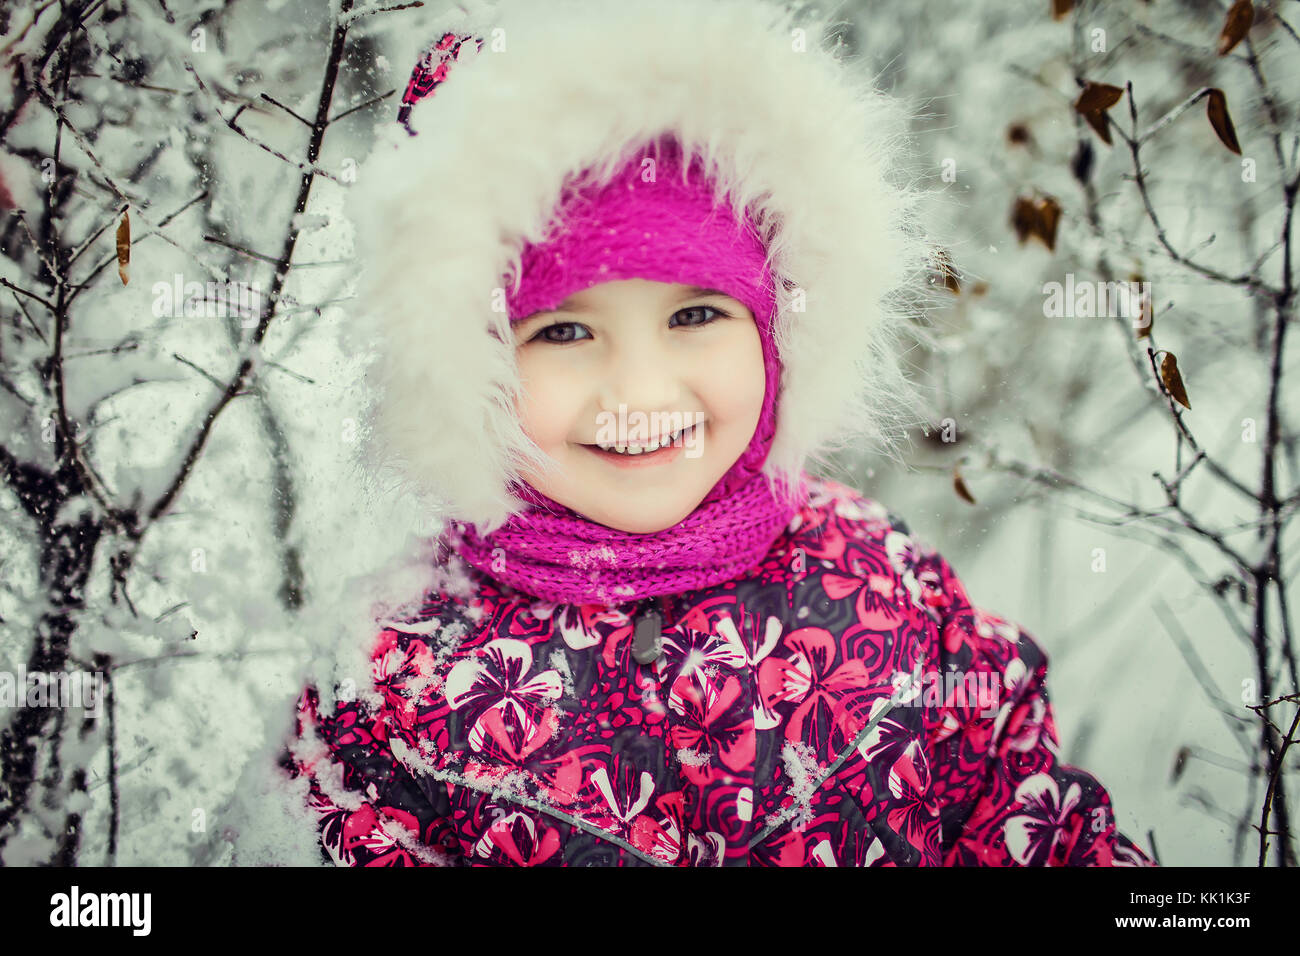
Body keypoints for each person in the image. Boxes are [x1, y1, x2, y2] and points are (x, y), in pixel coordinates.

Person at [279, 0, 1155, 867]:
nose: (641, 389)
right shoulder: (391, 683)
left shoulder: (895, 597)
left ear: (778, 337)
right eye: (564, 331)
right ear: (464, 362)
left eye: (696, 313)